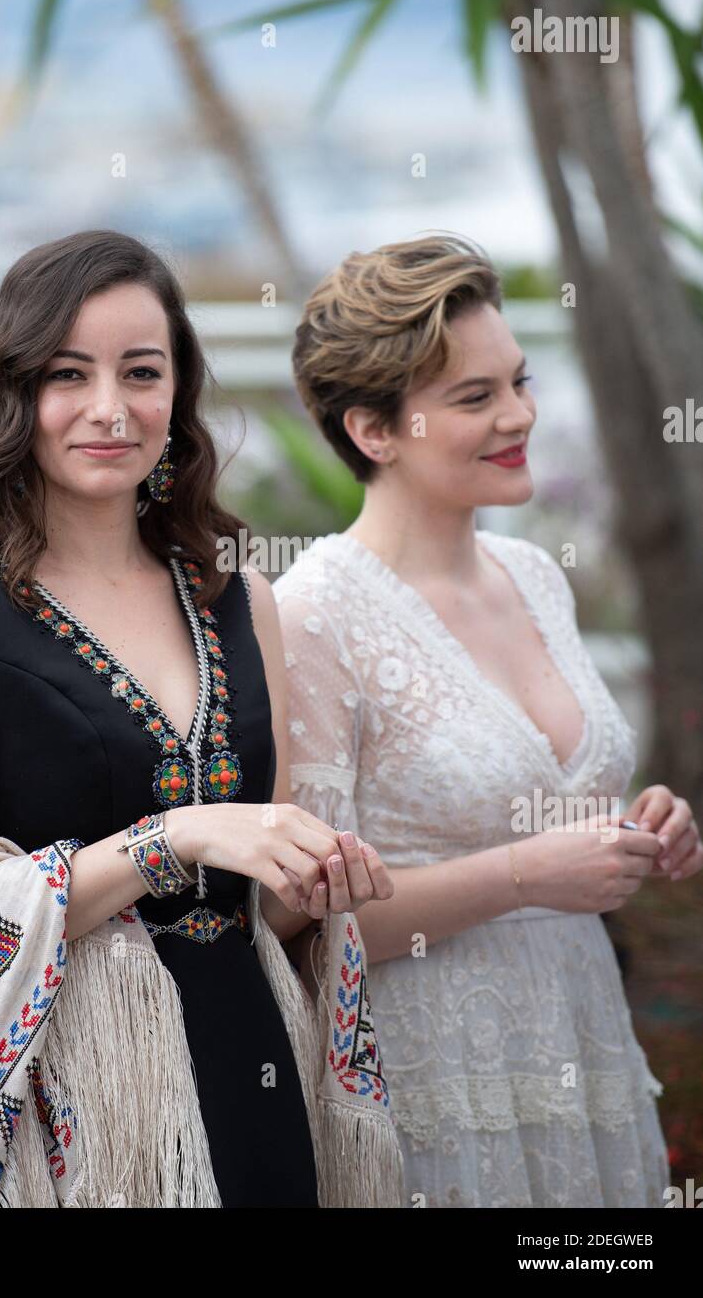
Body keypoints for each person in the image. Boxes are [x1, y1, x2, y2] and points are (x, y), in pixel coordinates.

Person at [0, 229, 403, 1209]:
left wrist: (319, 883)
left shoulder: (239, 598)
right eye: (68, 373)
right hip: (66, 1111)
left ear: (178, 396)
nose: (109, 408)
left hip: (253, 1063)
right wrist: (168, 836)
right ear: (13, 391)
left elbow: (260, 905)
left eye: (141, 372)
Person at [272, 233, 702, 1208]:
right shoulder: (312, 614)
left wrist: (638, 828)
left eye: (517, 380)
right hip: (433, 1086)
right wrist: (523, 873)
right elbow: (299, 917)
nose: (518, 415)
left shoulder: (535, 576)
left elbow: (537, 804)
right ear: (374, 431)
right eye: (473, 398)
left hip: (583, 1049)